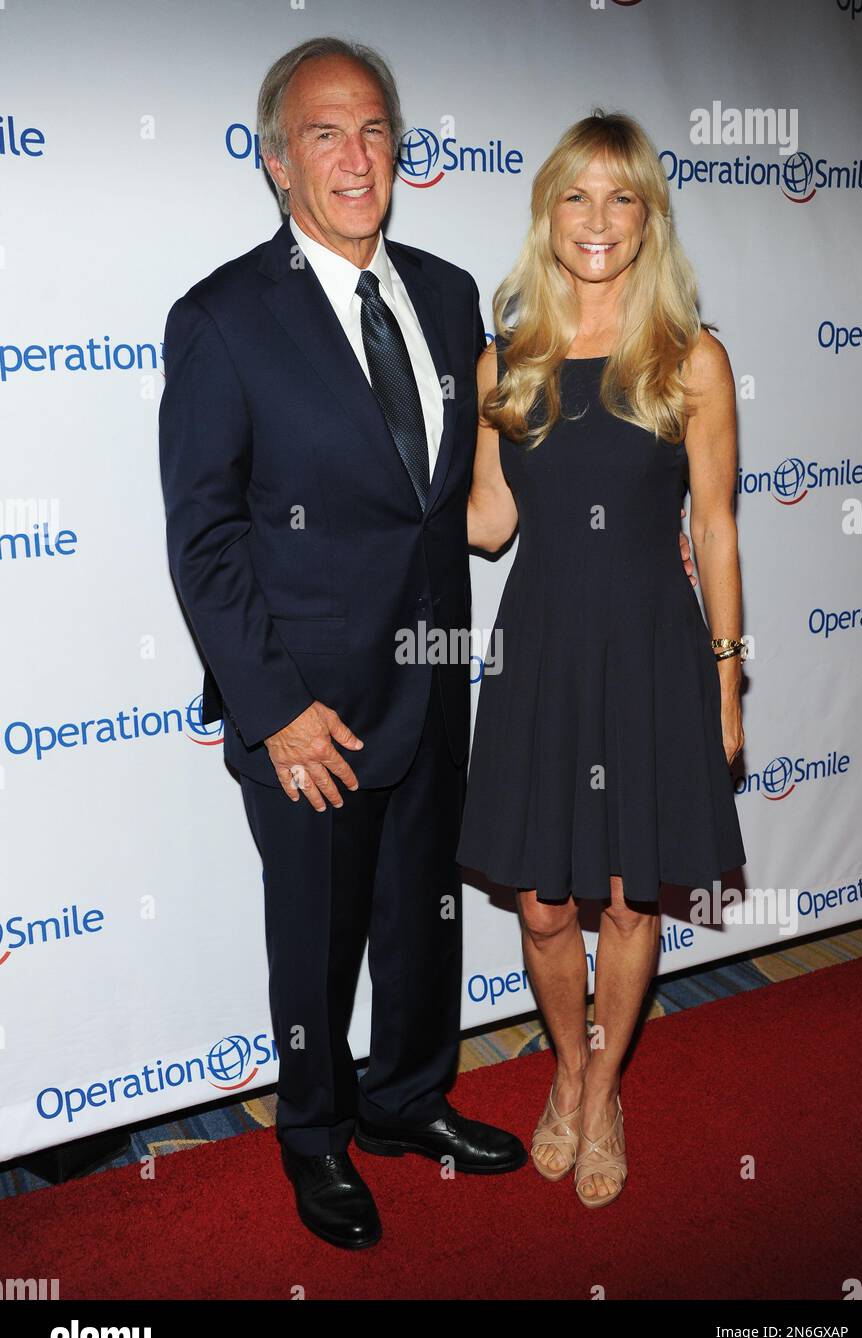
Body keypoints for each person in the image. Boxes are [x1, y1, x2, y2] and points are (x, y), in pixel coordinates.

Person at [158, 36, 529, 1252]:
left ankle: (407, 1099)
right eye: (325, 134)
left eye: (373, 129)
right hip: (308, 707)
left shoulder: (449, 293)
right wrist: (271, 709)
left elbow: (471, 490)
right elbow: (205, 537)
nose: (356, 157)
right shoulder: (222, 319)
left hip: (431, 682)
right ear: (278, 161)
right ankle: (313, 1132)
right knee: (315, 946)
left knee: (424, 921)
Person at [458, 111, 747, 1210]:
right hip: (538, 656)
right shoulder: (506, 358)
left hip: (648, 654)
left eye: (620, 195)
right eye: (576, 195)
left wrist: (726, 681)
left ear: (648, 216)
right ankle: (567, 1068)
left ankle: (605, 1086)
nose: (597, 218)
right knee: (541, 906)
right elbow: (487, 521)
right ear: (547, 213)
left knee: (627, 900)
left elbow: (715, 528)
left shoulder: (690, 357)